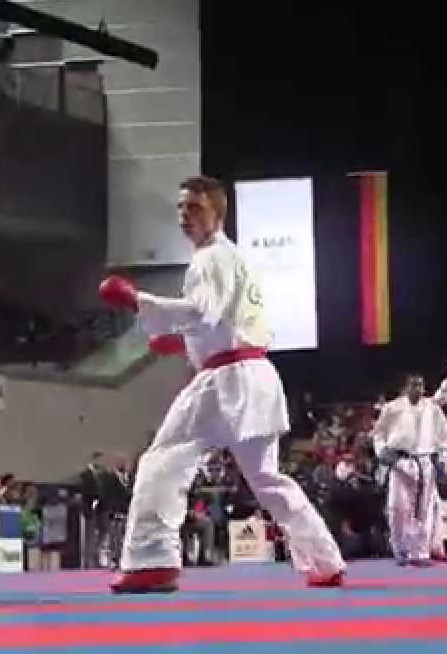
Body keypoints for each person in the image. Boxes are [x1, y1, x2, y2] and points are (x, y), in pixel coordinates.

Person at [102, 177, 344, 593]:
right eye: (180, 208)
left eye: (194, 207)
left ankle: (151, 560)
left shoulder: (211, 258)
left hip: (227, 379)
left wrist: (138, 300)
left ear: (218, 212)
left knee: (162, 459)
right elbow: (225, 322)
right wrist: (181, 341)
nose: (184, 216)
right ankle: (324, 560)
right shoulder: (231, 256)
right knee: (267, 479)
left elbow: (204, 313)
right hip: (252, 374)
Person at [371, 360, 447, 566]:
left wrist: (444, 461)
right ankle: (400, 550)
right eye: (413, 385)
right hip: (398, 462)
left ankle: (419, 553)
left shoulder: (432, 408)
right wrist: (382, 452)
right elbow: (379, 434)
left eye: (420, 385)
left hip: (423, 463)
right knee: (395, 508)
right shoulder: (392, 408)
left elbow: (443, 435)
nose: (418, 389)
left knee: (423, 510)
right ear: (405, 387)